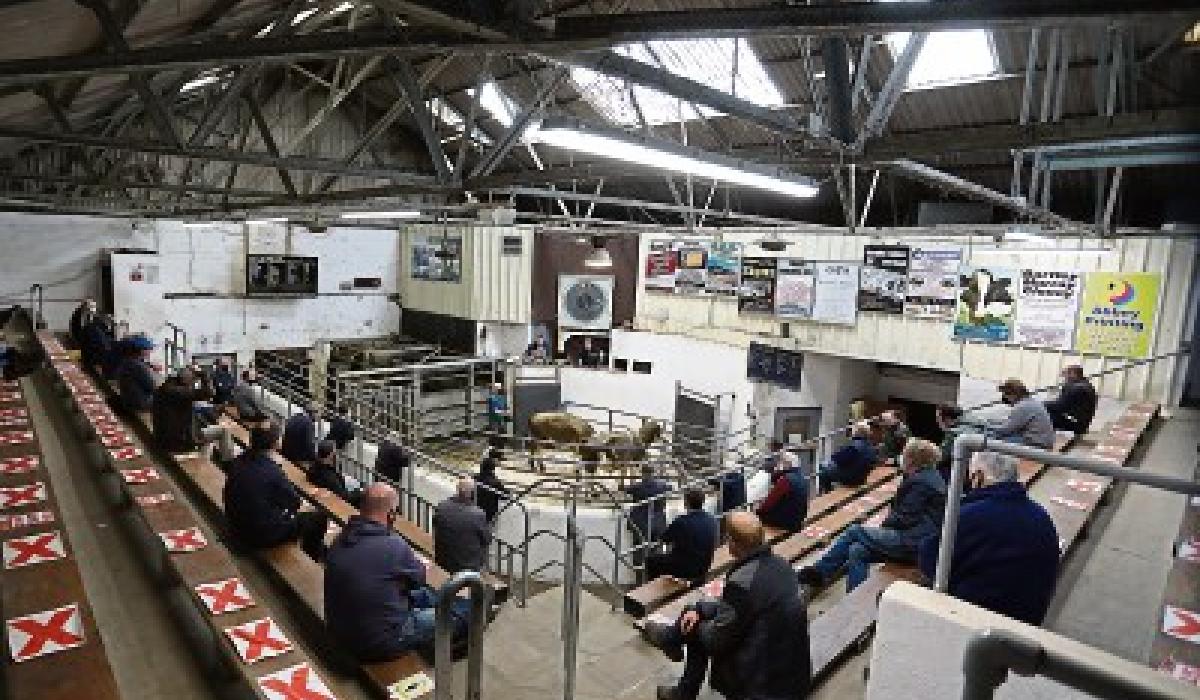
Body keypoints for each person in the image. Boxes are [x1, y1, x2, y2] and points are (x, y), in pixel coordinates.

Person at [642, 511, 810, 700]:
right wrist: (699, 609)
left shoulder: (742, 582)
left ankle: (675, 653)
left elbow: (716, 640)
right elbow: (738, 610)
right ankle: (672, 641)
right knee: (694, 614)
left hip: (763, 682)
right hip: (792, 671)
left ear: (733, 542)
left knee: (695, 628)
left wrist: (696, 621)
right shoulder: (781, 565)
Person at [918, 451, 1060, 625]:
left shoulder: (971, 515)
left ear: (978, 476)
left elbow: (929, 561)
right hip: (1030, 617)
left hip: (981, 622)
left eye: (970, 476)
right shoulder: (1041, 514)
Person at [798, 438, 946, 592]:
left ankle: (819, 572)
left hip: (911, 543)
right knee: (857, 551)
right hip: (916, 540)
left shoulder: (921, 482)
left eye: (905, 453)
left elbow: (904, 518)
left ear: (912, 458)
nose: (902, 456)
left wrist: (882, 528)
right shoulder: (928, 476)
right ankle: (854, 595)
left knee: (854, 531)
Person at [324, 483, 438, 661]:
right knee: (454, 612)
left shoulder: (341, 537)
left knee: (426, 595)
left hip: (341, 629)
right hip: (380, 642)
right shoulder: (393, 545)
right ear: (391, 514)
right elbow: (419, 578)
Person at [223, 421, 329, 561]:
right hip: (258, 536)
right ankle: (312, 557)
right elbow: (294, 503)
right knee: (319, 517)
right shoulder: (273, 471)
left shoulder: (237, 462)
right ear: (275, 444)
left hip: (235, 525)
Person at [153, 367, 234, 461]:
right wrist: (204, 376)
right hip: (177, 443)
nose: (193, 385)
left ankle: (205, 462)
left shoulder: (166, 387)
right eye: (193, 382)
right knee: (223, 430)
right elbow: (210, 392)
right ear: (186, 380)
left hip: (164, 437)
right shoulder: (179, 392)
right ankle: (228, 463)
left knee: (208, 437)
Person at [646, 487, 719, 584]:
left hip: (685, 568)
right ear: (703, 502)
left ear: (686, 503)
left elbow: (664, 539)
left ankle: (655, 592)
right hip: (704, 565)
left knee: (651, 561)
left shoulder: (681, 521)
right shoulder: (711, 519)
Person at [432, 478, 491, 574]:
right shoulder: (478, 514)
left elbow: (435, 526)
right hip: (468, 567)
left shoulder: (442, 506)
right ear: (472, 493)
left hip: (442, 561)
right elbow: (487, 539)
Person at [623, 465, 671, 566]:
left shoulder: (637, 487)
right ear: (653, 473)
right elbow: (670, 487)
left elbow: (626, 490)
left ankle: (639, 570)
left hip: (639, 521)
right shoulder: (662, 486)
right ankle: (654, 571)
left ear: (643, 474)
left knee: (638, 546)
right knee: (656, 546)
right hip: (658, 521)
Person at [992, 379, 1055, 449]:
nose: (1004, 398)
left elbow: (1006, 430)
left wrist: (989, 433)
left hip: (1037, 444)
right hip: (1044, 440)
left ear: (1012, 394)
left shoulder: (1022, 406)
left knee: (994, 441)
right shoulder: (1031, 402)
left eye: (1005, 394)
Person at [817, 421, 879, 493]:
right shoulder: (870, 446)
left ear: (856, 432)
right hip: (862, 477)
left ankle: (827, 493)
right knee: (827, 467)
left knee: (822, 469)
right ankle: (828, 492)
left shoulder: (855, 446)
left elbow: (838, 460)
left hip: (852, 478)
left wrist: (838, 453)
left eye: (853, 429)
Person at [756, 457, 809, 531]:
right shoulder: (801, 477)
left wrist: (757, 512)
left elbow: (768, 504)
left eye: (781, 462)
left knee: (757, 518)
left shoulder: (786, 479)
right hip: (798, 519)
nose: (778, 464)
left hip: (786, 523)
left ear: (786, 464)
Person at [1044, 365, 1097, 436]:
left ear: (1073, 374)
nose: (1064, 378)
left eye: (1065, 374)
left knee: (1043, 414)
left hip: (1076, 425)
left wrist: (1041, 404)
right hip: (1081, 423)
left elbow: (1060, 406)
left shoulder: (1077, 389)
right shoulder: (1087, 385)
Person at [310, 440, 362, 508]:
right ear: (330, 455)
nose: (335, 453)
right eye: (334, 452)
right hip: (341, 498)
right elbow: (344, 497)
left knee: (356, 482)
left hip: (339, 484)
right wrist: (360, 492)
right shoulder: (329, 476)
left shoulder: (315, 466)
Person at [116, 334, 158, 413]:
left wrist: (149, 365)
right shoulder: (138, 367)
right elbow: (152, 387)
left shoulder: (127, 360)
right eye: (149, 348)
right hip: (139, 403)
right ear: (142, 351)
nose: (150, 351)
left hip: (127, 398)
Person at [935, 404, 966, 486]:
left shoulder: (953, 434)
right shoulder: (965, 429)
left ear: (948, 419)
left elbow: (940, 458)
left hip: (951, 478)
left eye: (938, 418)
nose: (937, 421)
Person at [475, 449, 509, 524]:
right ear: (492, 469)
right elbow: (505, 496)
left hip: (475, 512)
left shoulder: (475, 479)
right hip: (489, 515)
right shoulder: (495, 482)